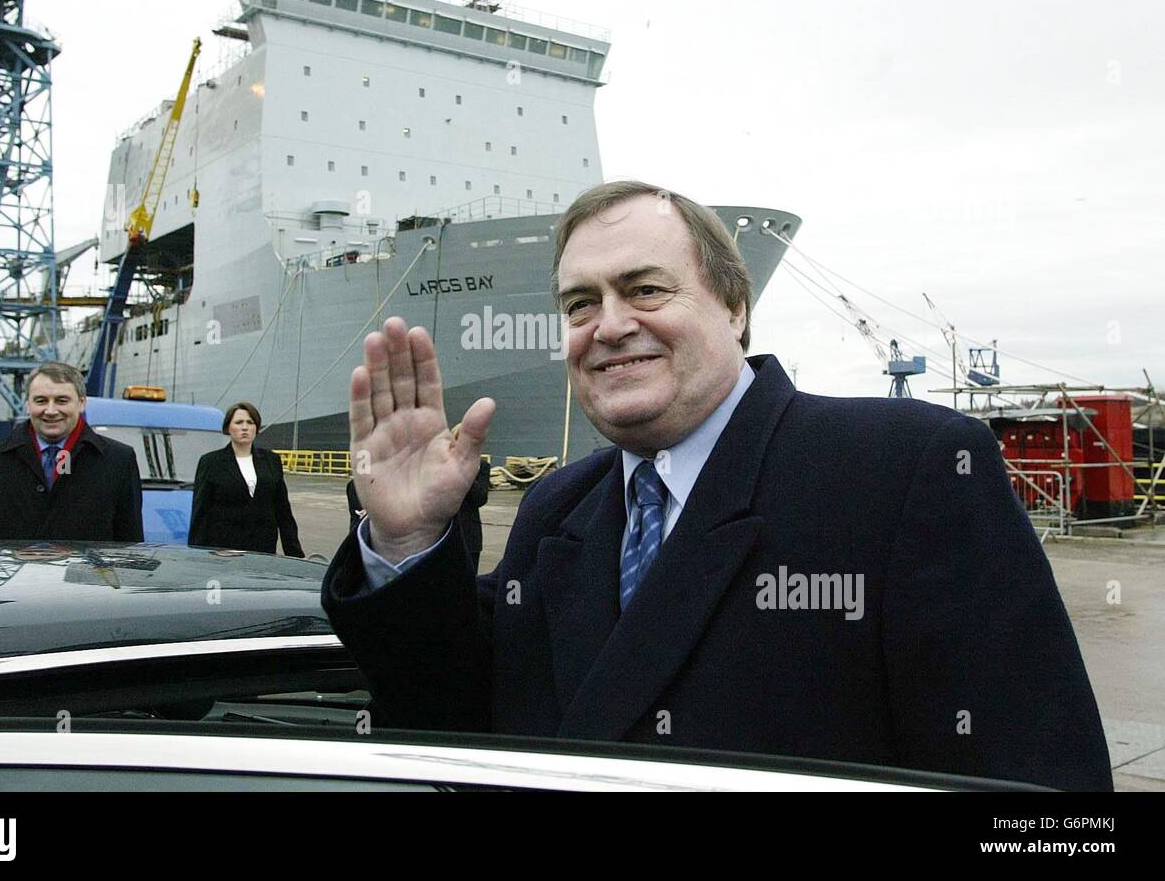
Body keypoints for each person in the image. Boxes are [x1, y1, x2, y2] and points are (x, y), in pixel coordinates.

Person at [321, 180, 1113, 791]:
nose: (609, 324)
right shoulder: (555, 511)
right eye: (579, 303)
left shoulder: (906, 470)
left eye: (646, 289)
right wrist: (407, 541)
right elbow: (455, 735)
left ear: (735, 305)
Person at [0, 362, 143, 541]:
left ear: (81, 403)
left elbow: (129, 544)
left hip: (85, 574)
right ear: (28, 404)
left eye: (62, 401)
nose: (51, 410)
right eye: (41, 401)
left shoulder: (118, 462)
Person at [345, 427, 489, 571]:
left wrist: (465, 473)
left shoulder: (480, 466)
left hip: (469, 537)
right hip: (433, 539)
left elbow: (480, 498)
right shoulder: (357, 487)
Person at [188, 402, 303, 557]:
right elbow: (200, 512)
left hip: (262, 551)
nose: (245, 427)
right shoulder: (211, 462)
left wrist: (296, 555)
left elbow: (283, 511)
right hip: (224, 552)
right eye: (238, 422)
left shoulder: (271, 461)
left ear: (256, 427)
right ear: (228, 428)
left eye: (250, 422)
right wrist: (197, 555)